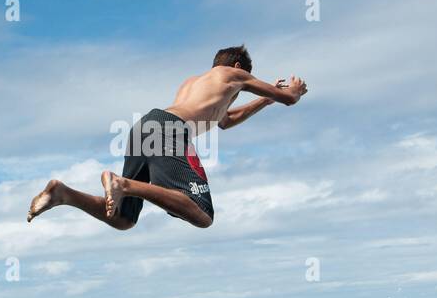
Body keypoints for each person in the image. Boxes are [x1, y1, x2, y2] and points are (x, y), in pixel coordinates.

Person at [26, 44, 307, 230]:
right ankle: (122, 184)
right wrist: (292, 88)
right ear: (237, 65)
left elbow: (226, 121)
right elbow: (289, 98)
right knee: (201, 213)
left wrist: (264, 102)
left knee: (124, 219)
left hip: (145, 126)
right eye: (247, 77)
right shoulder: (233, 73)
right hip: (170, 129)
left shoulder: (196, 84)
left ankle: (63, 194)